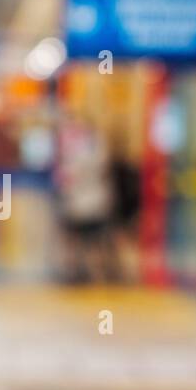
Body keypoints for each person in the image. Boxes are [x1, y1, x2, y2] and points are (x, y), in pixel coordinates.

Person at [54, 111, 116, 283]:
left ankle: (94, 273)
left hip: (90, 203)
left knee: (91, 242)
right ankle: (86, 273)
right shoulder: (91, 147)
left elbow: (71, 175)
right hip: (84, 202)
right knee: (82, 241)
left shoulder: (90, 148)